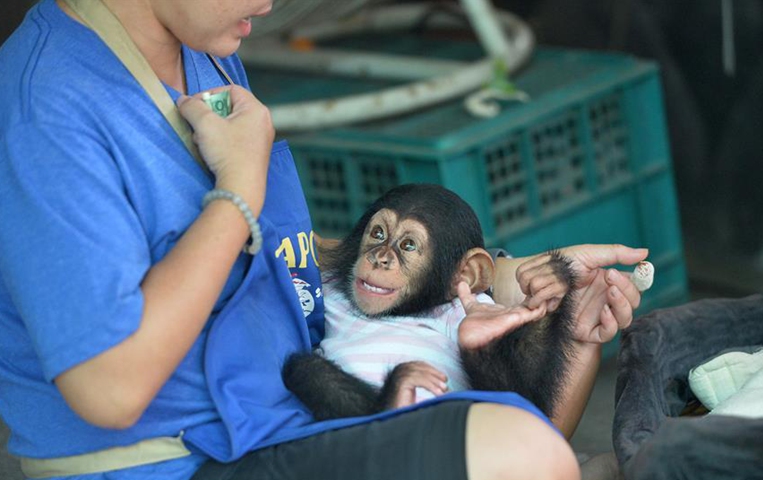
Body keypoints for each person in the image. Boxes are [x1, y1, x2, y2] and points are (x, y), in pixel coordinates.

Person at [0, 1, 647, 479]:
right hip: (174, 458)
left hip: (268, 406)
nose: (270, 3)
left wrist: (496, 280)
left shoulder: (195, 44)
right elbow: (108, 389)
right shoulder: (50, 109)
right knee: (525, 455)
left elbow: (259, 251)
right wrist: (239, 189)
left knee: (553, 428)